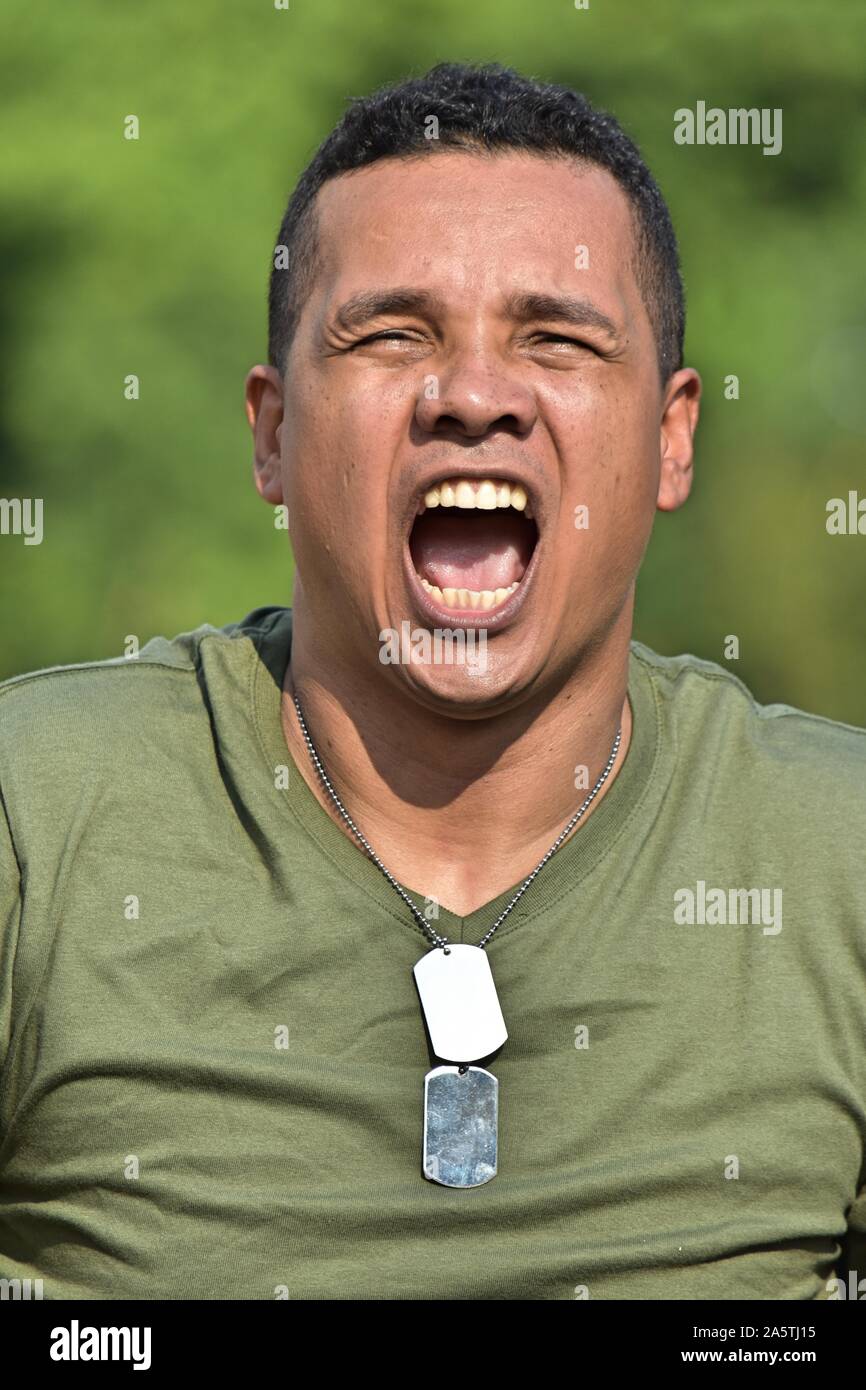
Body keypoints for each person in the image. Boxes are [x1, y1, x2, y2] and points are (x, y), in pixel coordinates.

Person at [1, 62, 864, 1302]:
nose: (472, 397)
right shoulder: (35, 818)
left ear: (670, 438)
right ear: (272, 434)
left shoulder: (836, 858)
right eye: (392, 335)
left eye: (555, 339)